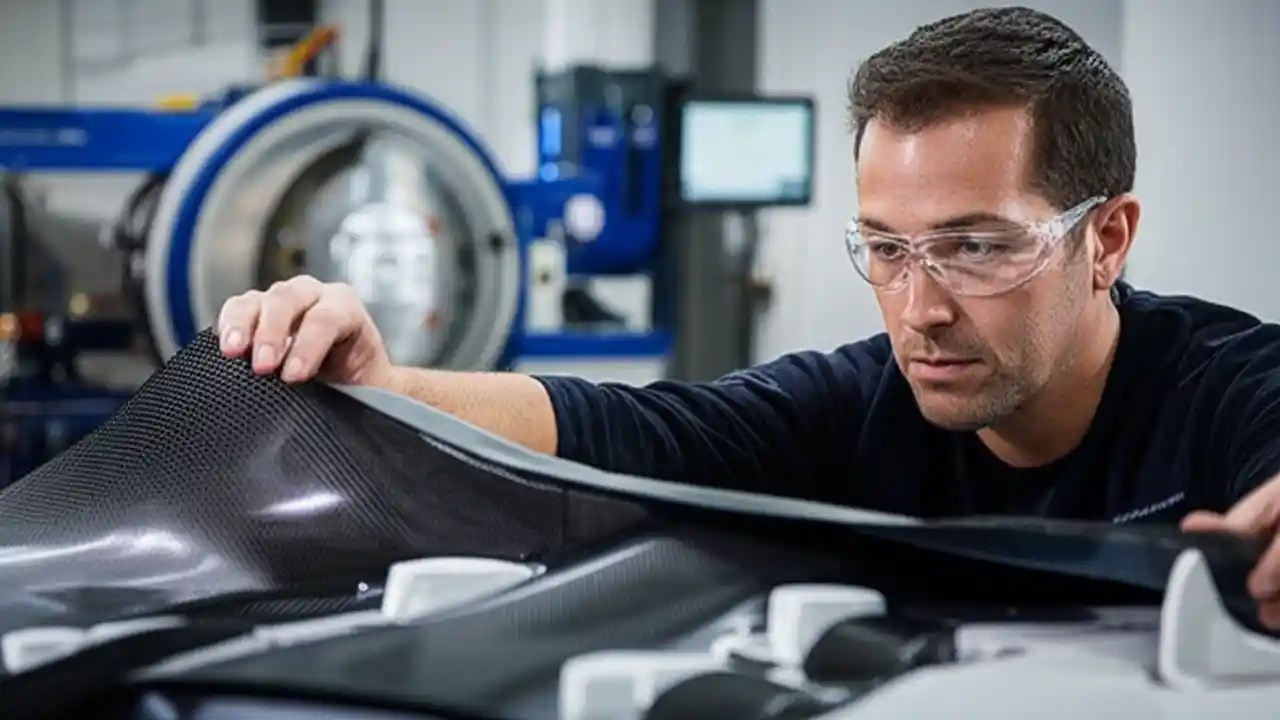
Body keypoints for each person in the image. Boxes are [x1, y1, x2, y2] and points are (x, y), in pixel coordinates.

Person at [216, 6, 1280, 628]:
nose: (919, 309)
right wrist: (387, 390)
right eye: (885, 249)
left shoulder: (1224, 387)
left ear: (1105, 240)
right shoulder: (858, 405)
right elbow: (634, 430)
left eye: (975, 247)